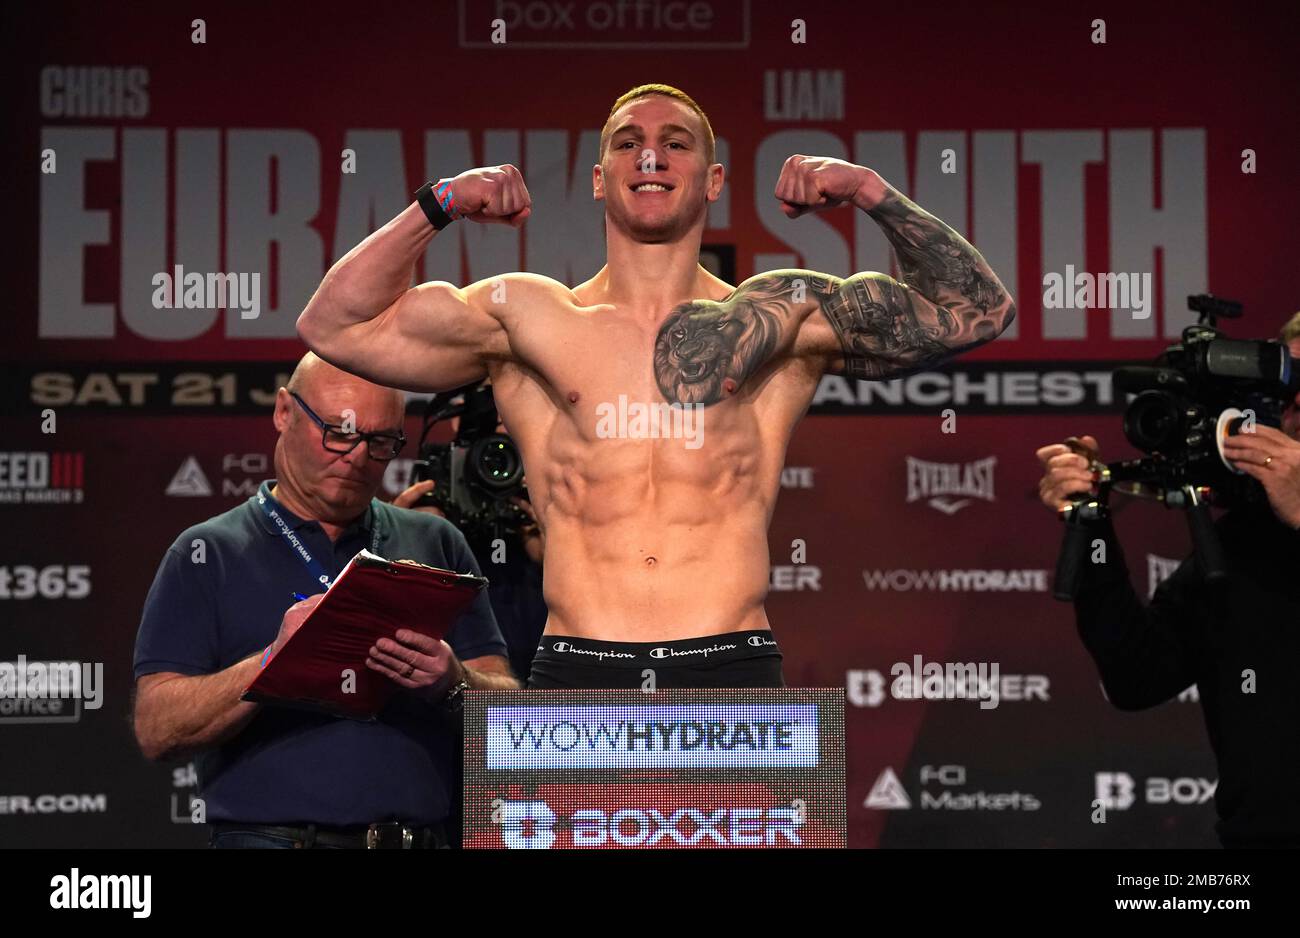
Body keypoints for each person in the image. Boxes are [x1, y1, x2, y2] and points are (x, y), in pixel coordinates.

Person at [297, 83, 1016, 689]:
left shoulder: (778, 314)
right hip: (579, 665)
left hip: (728, 663)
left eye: (676, 142)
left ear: (713, 180)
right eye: (626, 142)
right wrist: (442, 203)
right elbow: (335, 325)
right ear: (599, 178)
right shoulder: (525, 317)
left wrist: (868, 191)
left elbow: (975, 312)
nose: (649, 154)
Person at [132, 353, 518, 849]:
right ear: (284, 412)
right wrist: (274, 660)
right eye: (338, 431)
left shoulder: (436, 543)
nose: (357, 456)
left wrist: (453, 681)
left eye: (381, 441)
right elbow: (158, 728)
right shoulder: (207, 553)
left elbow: (509, 715)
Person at [1034, 314, 1300, 848]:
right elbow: (1137, 677)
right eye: (1289, 388)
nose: (1297, 409)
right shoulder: (1244, 538)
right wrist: (1092, 526)